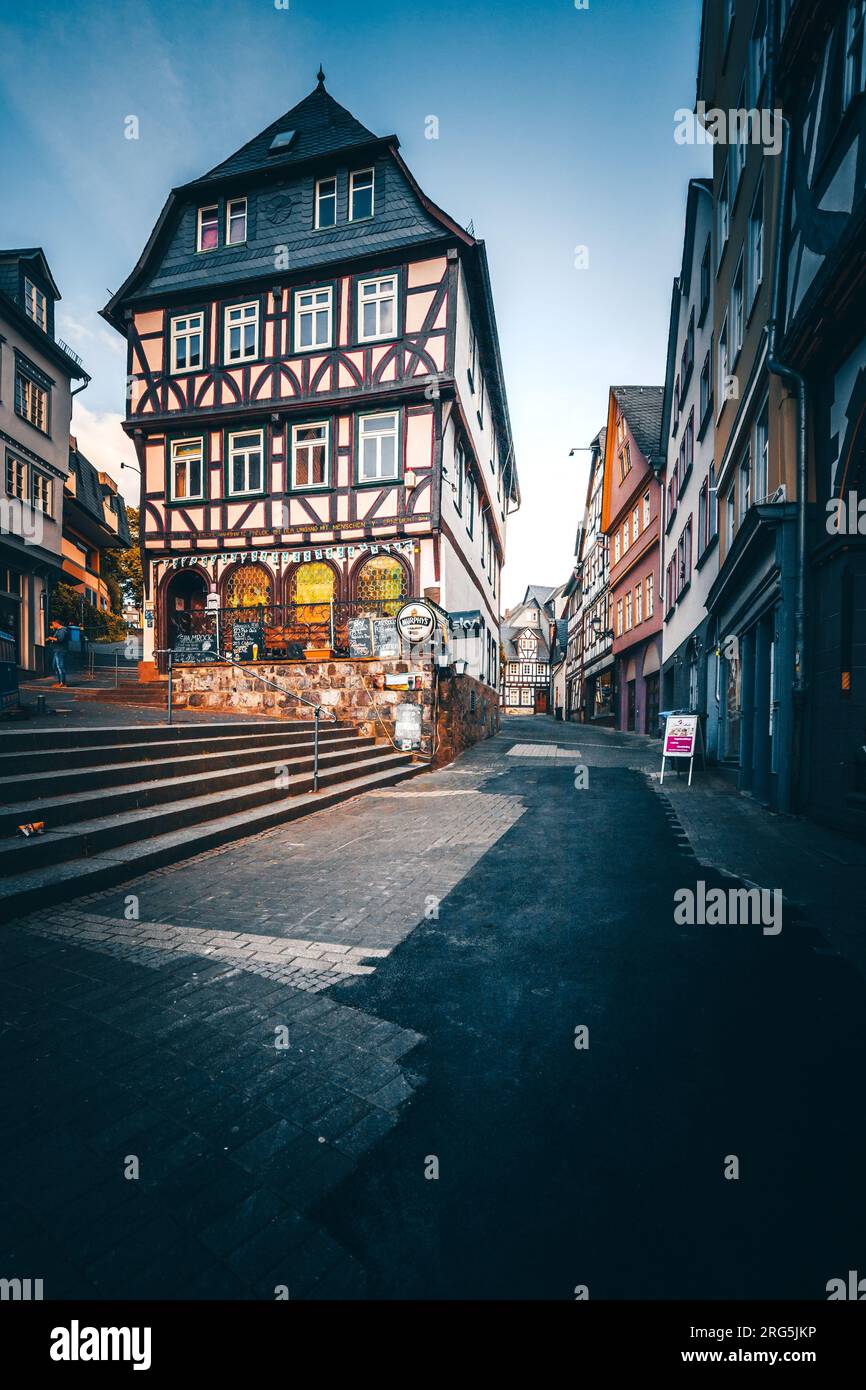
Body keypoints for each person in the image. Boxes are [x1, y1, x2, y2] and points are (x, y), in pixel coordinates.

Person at [47, 620, 69, 687]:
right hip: (57, 650)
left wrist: (51, 638)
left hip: (60, 650)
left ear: (57, 623)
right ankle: (60, 682)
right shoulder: (58, 630)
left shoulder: (62, 630)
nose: (53, 626)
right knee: (55, 666)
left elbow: (60, 639)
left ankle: (62, 683)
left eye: (53, 624)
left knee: (60, 666)